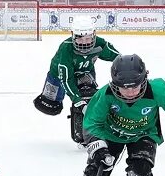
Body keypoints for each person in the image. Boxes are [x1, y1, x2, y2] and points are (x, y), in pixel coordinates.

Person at [33, 15, 120, 144]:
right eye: (80, 39)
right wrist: (77, 100)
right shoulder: (65, 49)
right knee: (50, 107)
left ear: (94, 35)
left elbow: (118, 58)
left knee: (90, 98)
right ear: (73, 36)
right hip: (59, 75)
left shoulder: (100, 44)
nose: (84, 43)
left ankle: (84, 133)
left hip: (85, 72)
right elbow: (66, 79)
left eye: (88, 38)